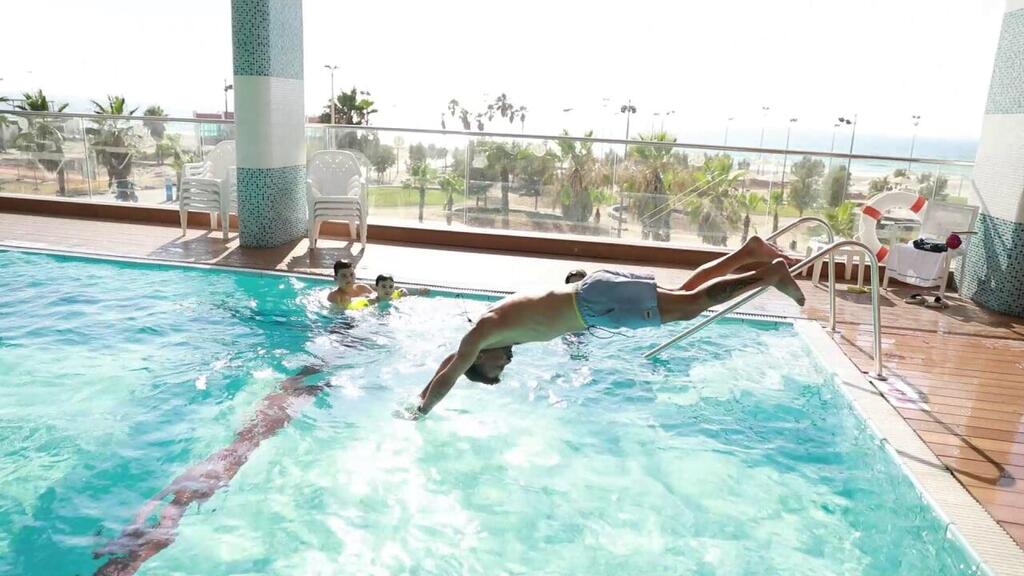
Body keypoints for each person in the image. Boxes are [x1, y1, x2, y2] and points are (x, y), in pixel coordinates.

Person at [416, 236, 803, 416]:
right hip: (594, 290)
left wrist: (423, 412)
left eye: (496, 366)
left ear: (480, 358)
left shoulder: (483, 332)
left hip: (595, 305)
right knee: (686, 292)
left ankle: (768, 274)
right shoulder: (493, 330)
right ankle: (749, 253)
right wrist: (421, 393)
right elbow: (450, 361)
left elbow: (452, 370)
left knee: (689, 307)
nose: (508, 363)